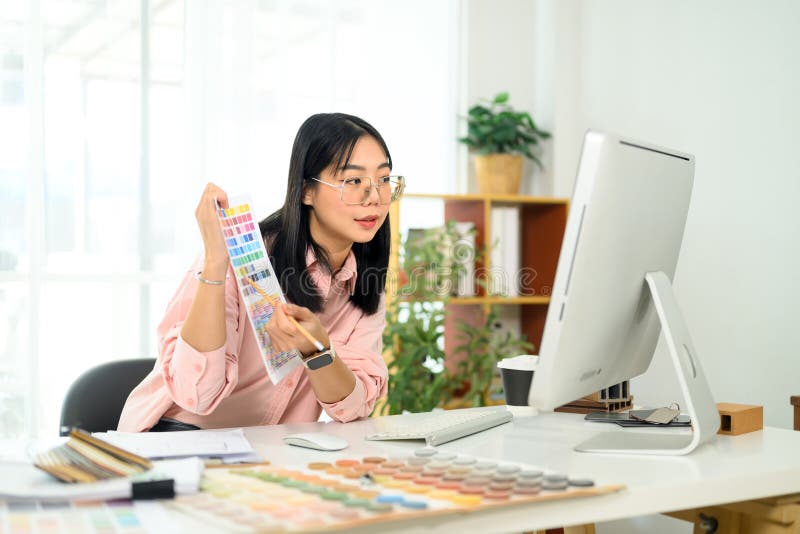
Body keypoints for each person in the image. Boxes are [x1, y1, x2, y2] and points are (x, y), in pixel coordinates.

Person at [118, 113, 404, 432]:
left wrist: (317, 352)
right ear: (306, 190)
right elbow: (196, 394)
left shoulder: (364, 285)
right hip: (174, 436)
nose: (375, 197)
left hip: (266, 448)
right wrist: (215, 261)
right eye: (353, 181)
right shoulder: (243, 255)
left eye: (383, 180)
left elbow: (353, 408)